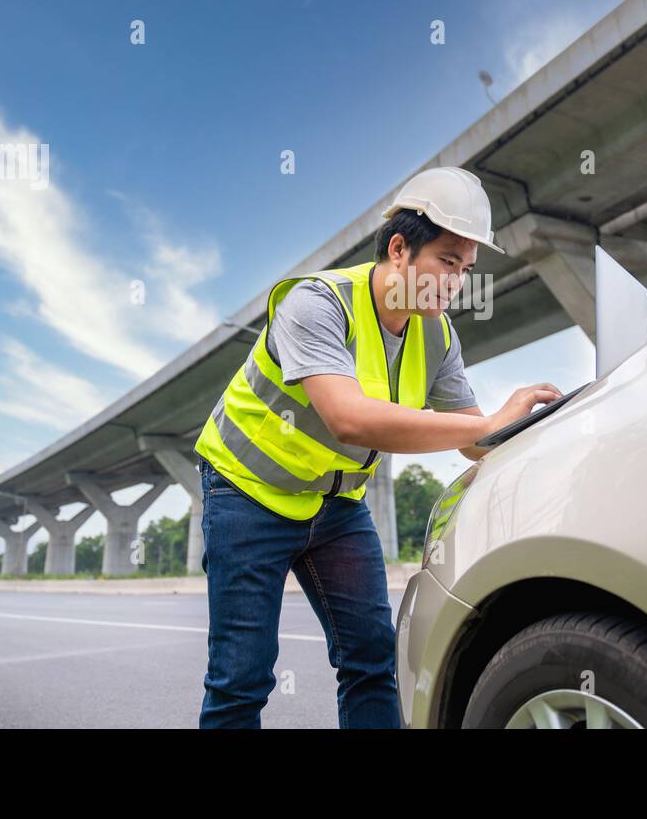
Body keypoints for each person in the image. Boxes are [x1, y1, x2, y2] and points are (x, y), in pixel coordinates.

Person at [193, 165, 562, 728]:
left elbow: (477, 440)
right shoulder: (317, 304)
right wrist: (488, 422)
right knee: (242, 677)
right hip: (247, 493)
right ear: (399, 249)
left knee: (371, 661)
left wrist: (553, 430)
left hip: (336, 508)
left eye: (465, 269)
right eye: (446, 261)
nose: (456, 282)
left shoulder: (437, 336)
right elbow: (349, 419)